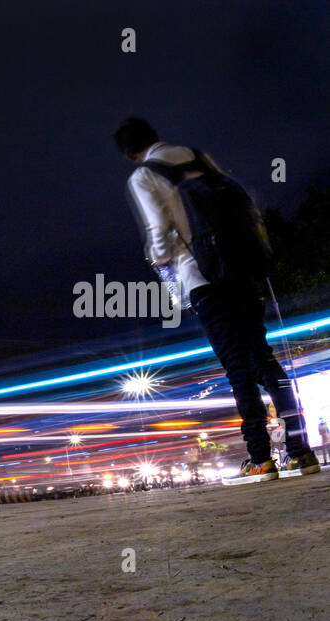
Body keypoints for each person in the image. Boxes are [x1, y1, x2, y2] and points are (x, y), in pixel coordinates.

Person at [114, 117, 320, 482]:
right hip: (243, 270)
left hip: (203, 278)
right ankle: (300, 452)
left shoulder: (143, 176)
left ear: (130, 153)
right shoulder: (197, 156)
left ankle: (260, 458)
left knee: (237, 368)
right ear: (155, 136)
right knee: (264, 360)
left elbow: (160, 234)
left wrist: (162, 264)